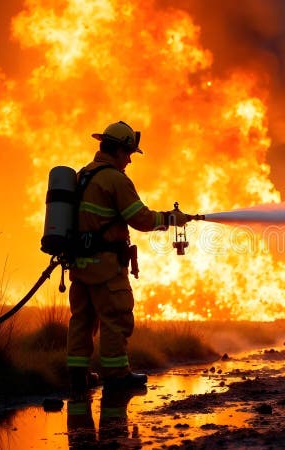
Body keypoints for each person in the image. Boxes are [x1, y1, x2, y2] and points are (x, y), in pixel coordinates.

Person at [67, 121, 188, 397]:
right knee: (115, 318)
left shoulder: (84, 174)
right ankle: (117, 376)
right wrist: (170, 218)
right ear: (119, 150)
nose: (130, 160)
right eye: (129, 153)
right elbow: (141, 219)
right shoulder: (115, 179)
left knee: (82, 321)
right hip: (106, 266)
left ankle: (78, 376)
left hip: (80, 265)